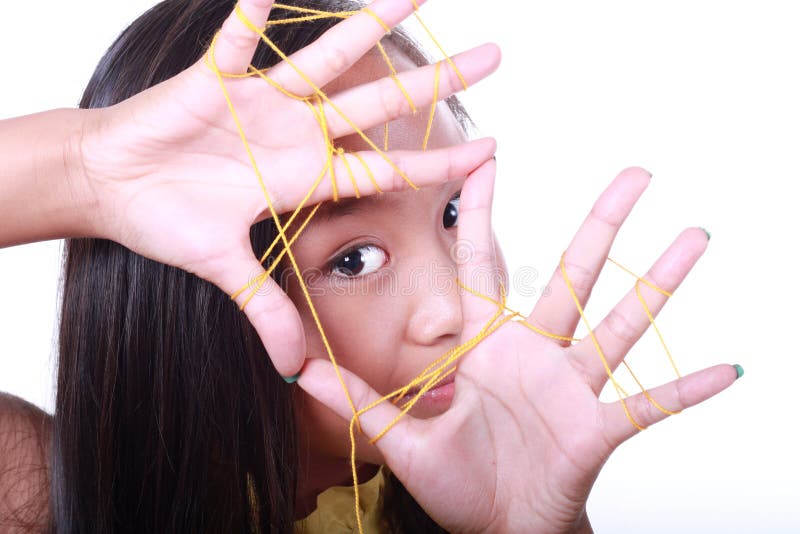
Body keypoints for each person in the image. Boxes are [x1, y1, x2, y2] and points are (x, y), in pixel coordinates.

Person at [0, 0, 740, 532]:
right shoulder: (39, 496)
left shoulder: (482, 491)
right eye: (354, 258)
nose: (453, 308)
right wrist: (85, 170)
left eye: (452, 213)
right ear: (190, 297)